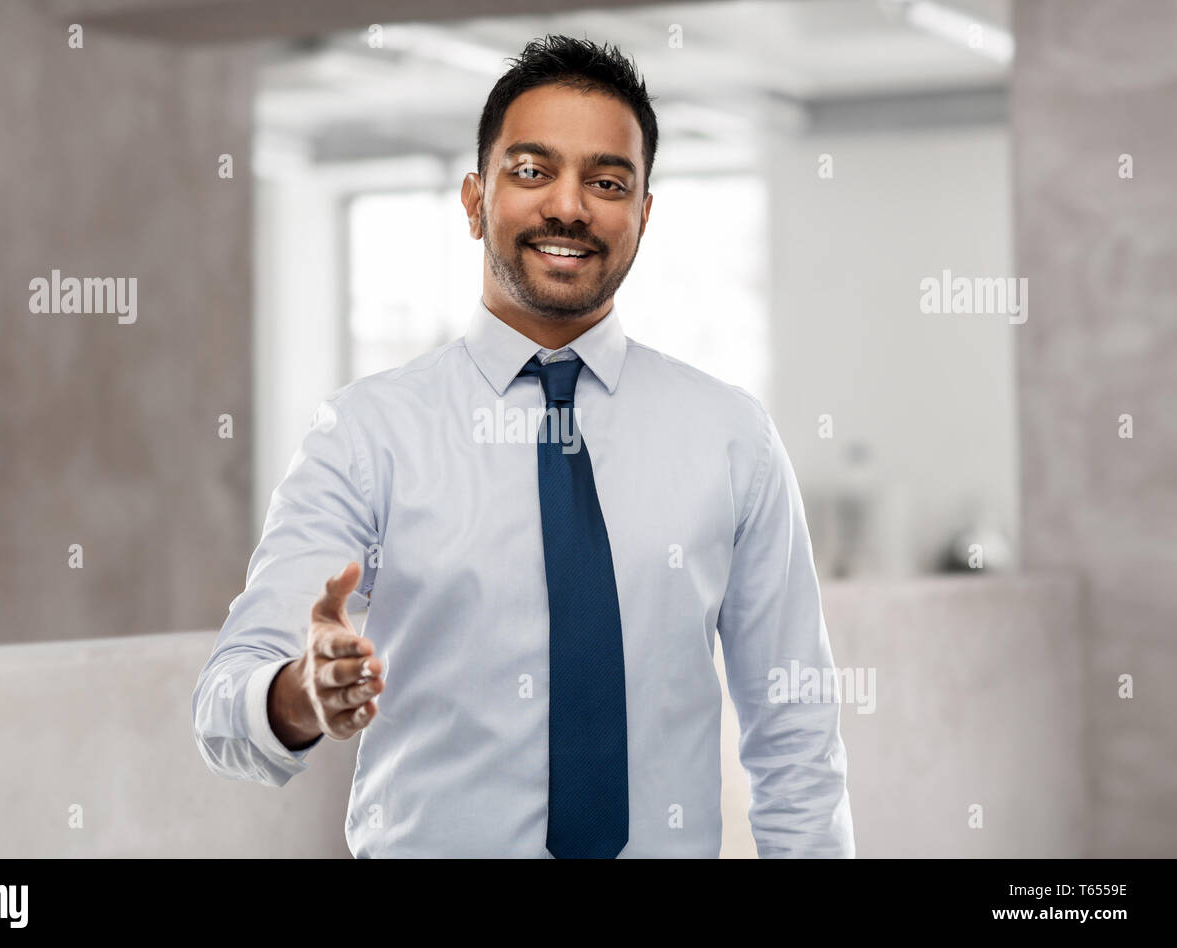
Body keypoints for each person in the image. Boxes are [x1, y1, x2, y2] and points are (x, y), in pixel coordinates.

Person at [192, 34, 855, 859]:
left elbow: (795, 737)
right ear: (475, 200)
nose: (570, 207)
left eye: (607, 182)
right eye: (532, 171)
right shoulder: (367, 434)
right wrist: (302, 695)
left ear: (643, 214)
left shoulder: (730, 437)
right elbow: (225, 704)